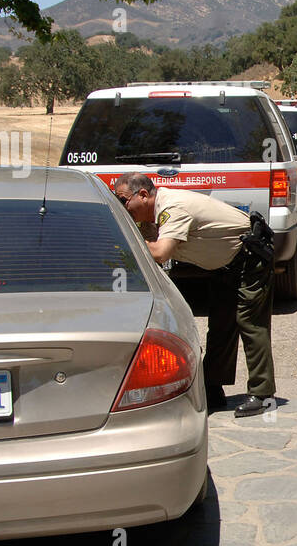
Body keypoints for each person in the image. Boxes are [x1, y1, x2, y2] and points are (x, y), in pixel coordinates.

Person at [112, 172, 275, 418]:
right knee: (221, 325)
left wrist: (123, 237)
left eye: (123, 201)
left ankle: (262, 394)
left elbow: (160, 253)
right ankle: (212, 389)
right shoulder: (150, 214)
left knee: (250, 323)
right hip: (226, 264)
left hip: (250, 258)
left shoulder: (172, 207)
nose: (123, 208)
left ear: (143, 195)